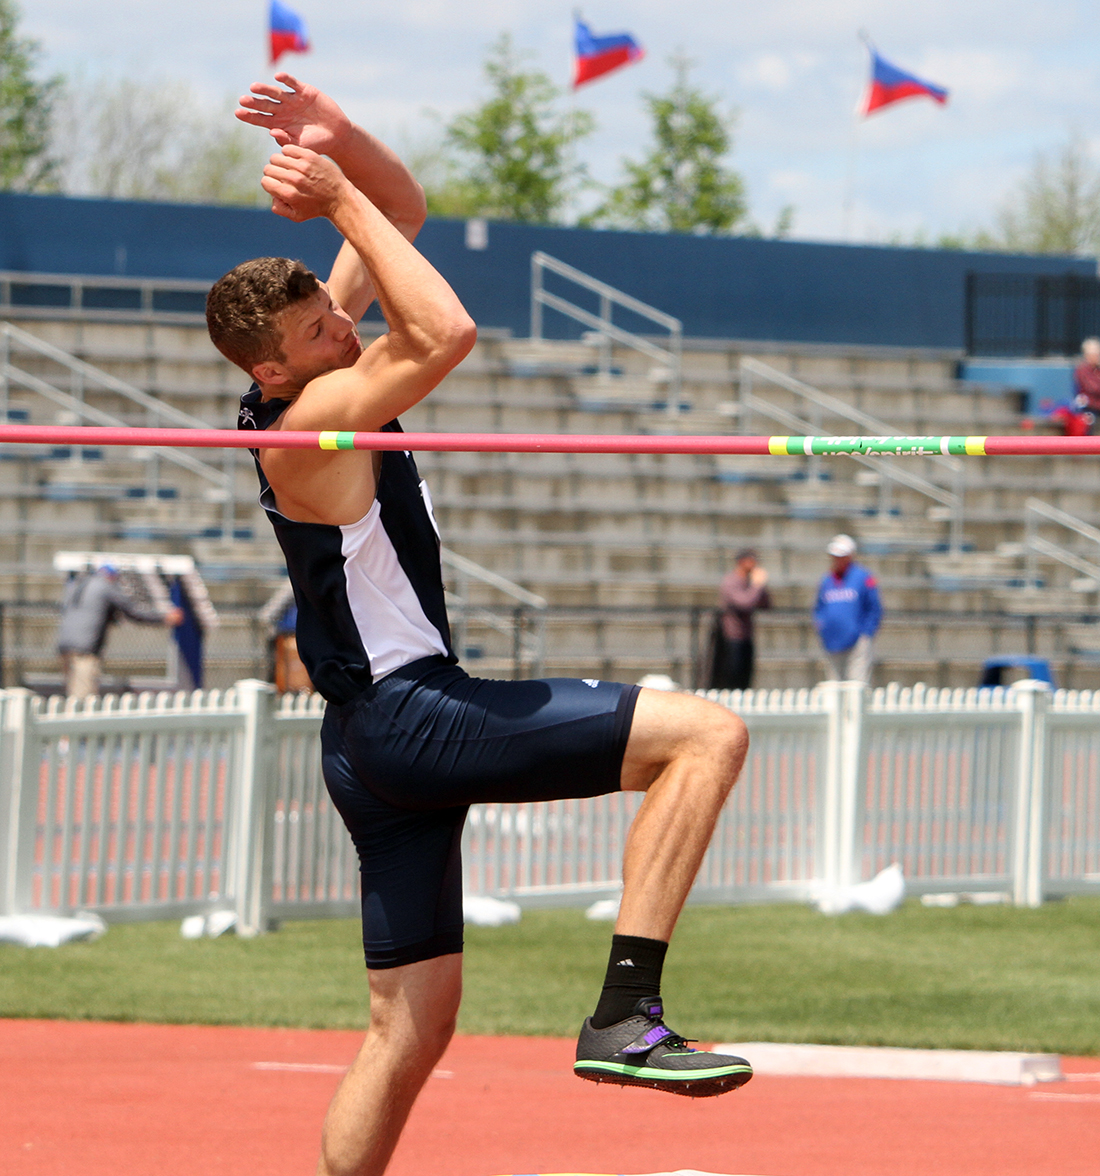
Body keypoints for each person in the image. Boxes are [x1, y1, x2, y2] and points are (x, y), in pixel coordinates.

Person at [205, 74, 753, 1176]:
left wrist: (338, 143)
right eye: (321, 329)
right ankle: (624, 1017)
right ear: (272, 368)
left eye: (337, 313)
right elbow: (446, 327)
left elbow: (401, 211)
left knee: (406, 1029)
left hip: (369, 736)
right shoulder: (309, 422)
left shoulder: (319, 373)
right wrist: (335, 204)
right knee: (704, 736)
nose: (343, 334)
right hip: (409, 717)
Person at [56, 564, 183, 698]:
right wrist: (164, 618)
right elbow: (134, 612)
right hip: (84, 649)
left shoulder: (78, 584)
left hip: (64, 645)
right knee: (82, 697)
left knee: (72, 694)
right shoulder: (106, 586)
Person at [813, 534, 881, 685]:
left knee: (856, 686)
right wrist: (821, 626)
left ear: (850, 556)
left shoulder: (864, 578)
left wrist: (865, 634)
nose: (837, 559)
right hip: (831, 642)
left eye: (841, 555)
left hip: (857, 642)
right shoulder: (827, 580)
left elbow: (873, 608)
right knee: (834, 686)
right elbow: (819, 607)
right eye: (835, 556)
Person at [708, 548, 770, 690]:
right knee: (733, 673)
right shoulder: (731, 581)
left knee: (745, 675)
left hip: (746, 635)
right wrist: (757, 586)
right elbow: (744, 603)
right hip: (732, 635)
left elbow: (766, 605)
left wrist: (761, 586)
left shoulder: (750, 582)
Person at [1073, 337, 1100, 431]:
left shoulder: (1098, 369)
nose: (1096, 356)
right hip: (1089, 408)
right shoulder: (1082, 369)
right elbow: (1092, 388)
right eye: (1093, 354)